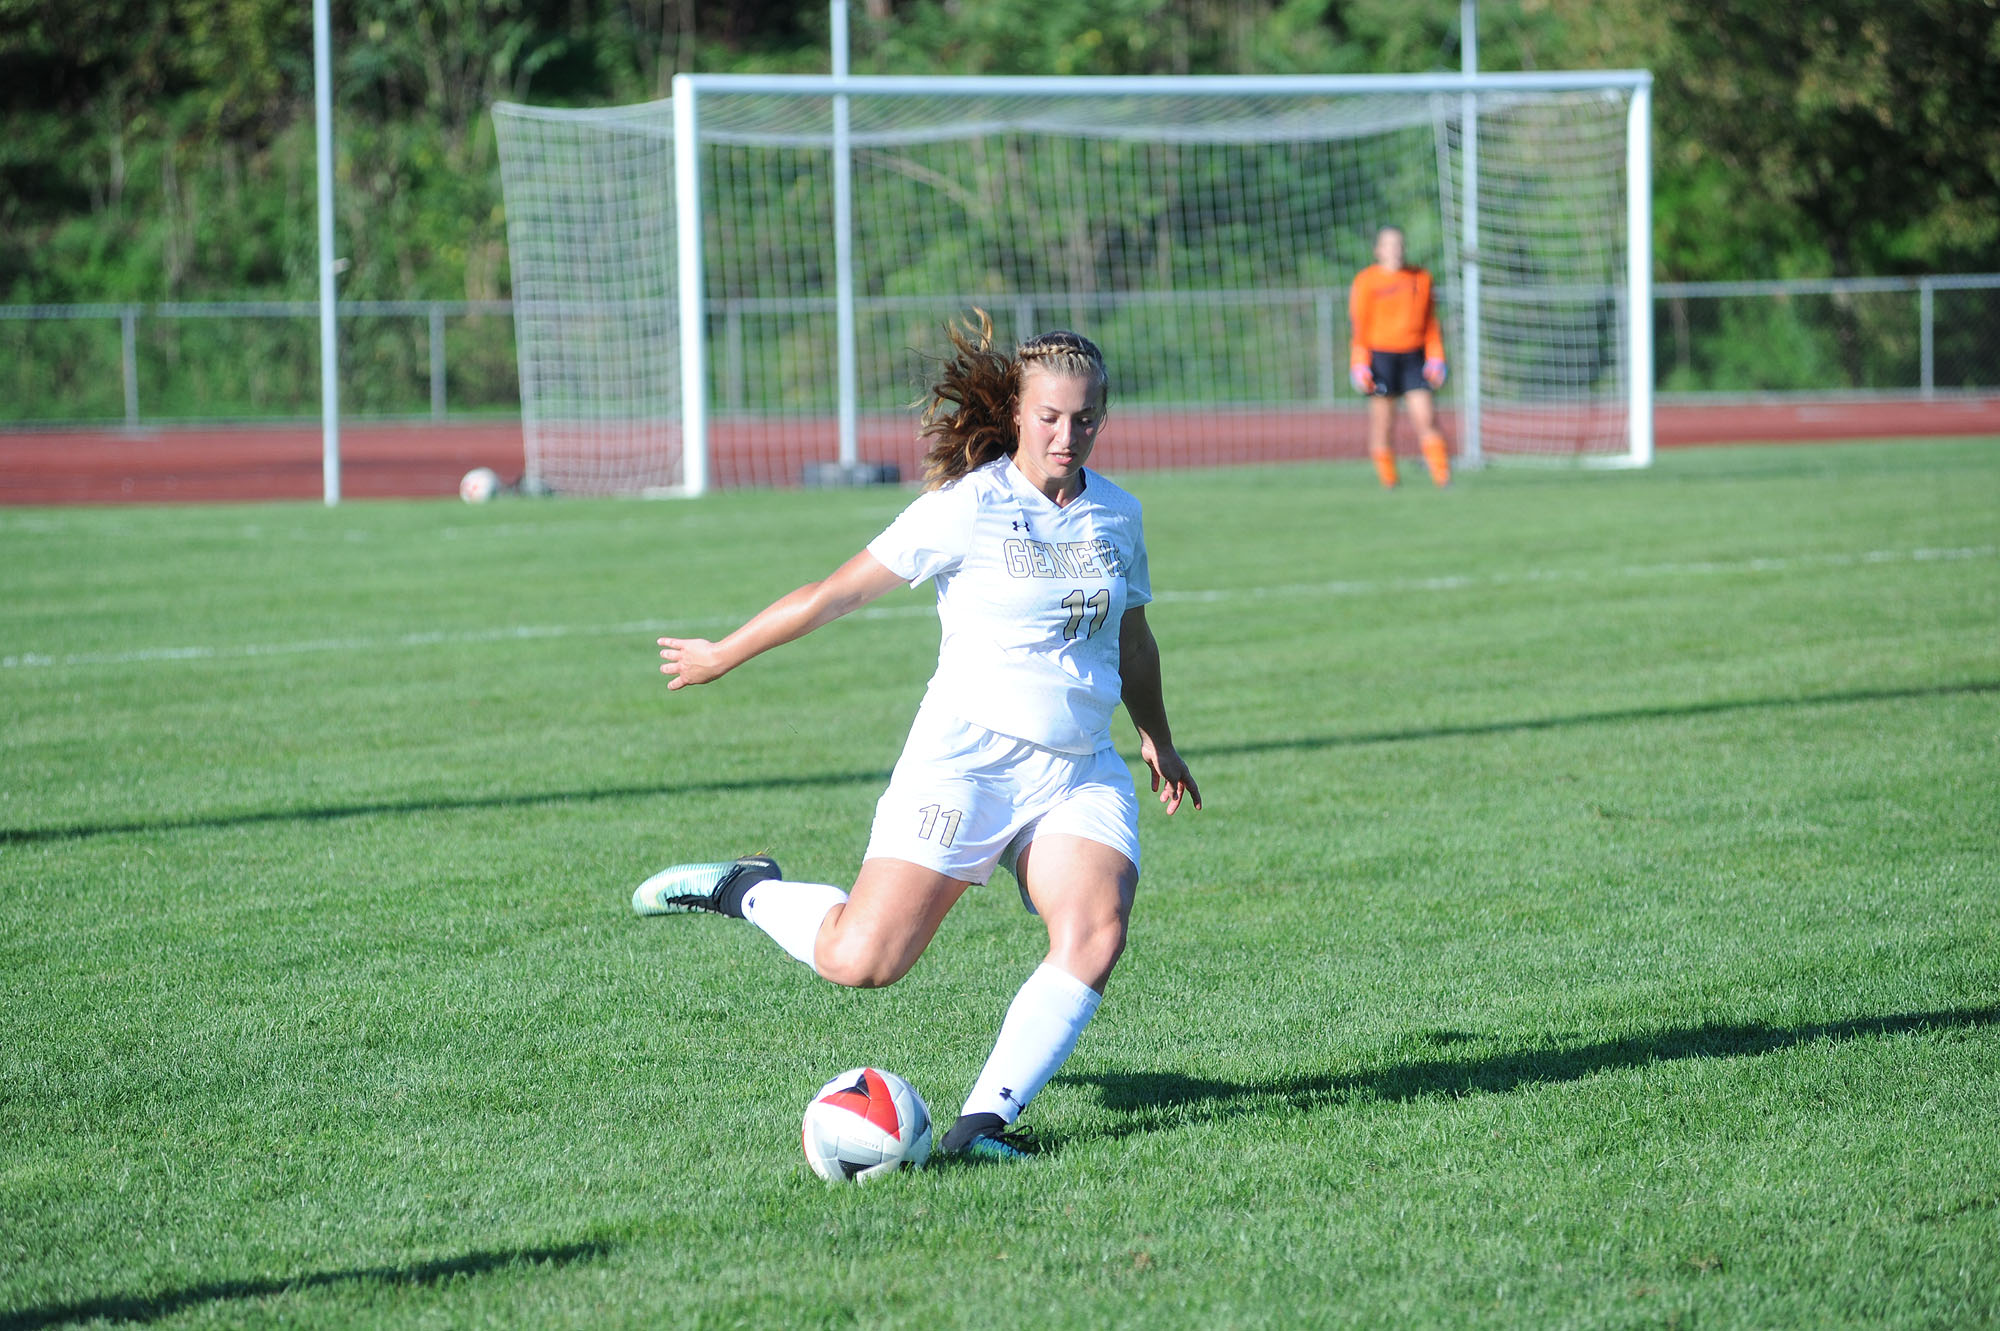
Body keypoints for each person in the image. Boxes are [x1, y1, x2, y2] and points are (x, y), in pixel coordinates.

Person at [636, 315, 1202, 1162]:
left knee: (1095, 928)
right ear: (1017, 412)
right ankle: (745, 887)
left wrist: (1157, 736)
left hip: (1078, 770)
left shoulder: (1118, 516)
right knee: (862, 959)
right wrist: (724, 651)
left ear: (1102, 419)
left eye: (1084, 418)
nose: (1065, 433)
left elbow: (1132, 640)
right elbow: (834, 593)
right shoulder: (968, 508)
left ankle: (982, 1125)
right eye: (1048, 415)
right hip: (966, 761)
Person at [1349, 225, 1452, 488]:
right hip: (1380, 357)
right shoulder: (1367, 281)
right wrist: (1359, 362)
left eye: (1399, 244)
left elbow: (1431, 323)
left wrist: (1436, 356)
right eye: (1389, 245)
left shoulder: (1421, 278)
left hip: (1413, 356)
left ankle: (1442, 478)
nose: (1395, 250)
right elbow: (1359, 327)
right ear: (1378, 250)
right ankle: (1390, 481)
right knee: (1383, 422)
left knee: (1426, 416)